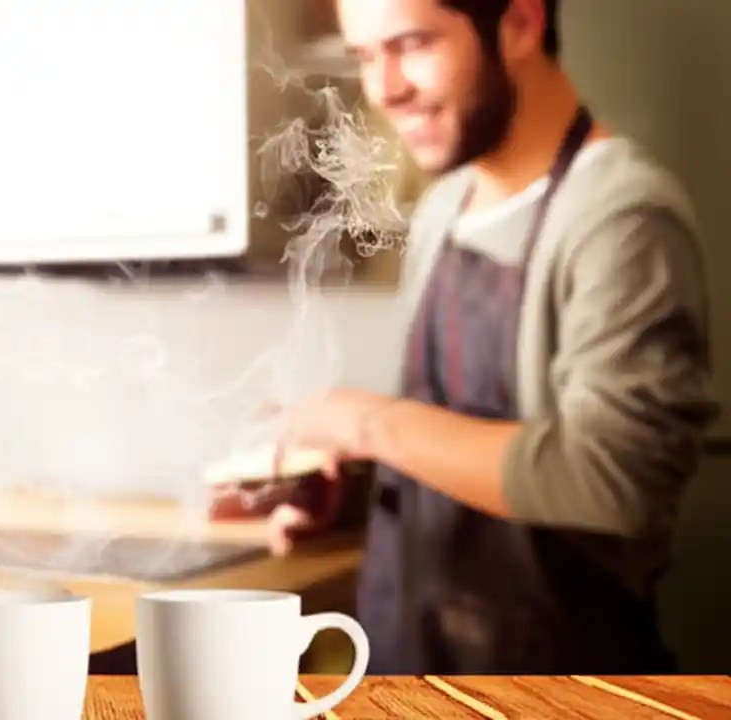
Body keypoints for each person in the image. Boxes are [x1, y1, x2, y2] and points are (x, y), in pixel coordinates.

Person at [268, 0, 718, 674]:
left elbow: (612, 480)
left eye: (413, 44)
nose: (384, 88)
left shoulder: (622, 217)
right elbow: (454, 445)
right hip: (408, 665)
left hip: (556, 682)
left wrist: (365, 423)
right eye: (365, 55)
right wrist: (349, 494)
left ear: (521, 24)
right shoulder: (444, 209)